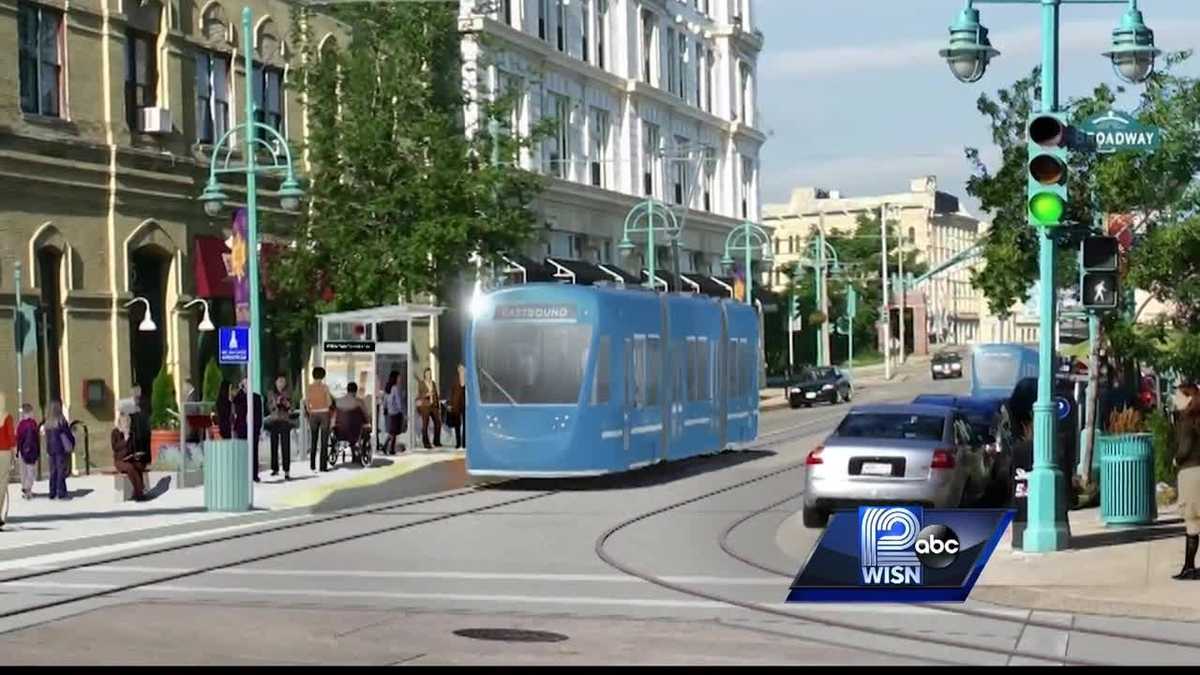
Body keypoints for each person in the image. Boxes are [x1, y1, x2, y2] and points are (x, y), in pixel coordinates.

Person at [1172, 379, 1200, 580]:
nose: (1175, 399)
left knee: (1192, 519)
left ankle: (1189, 567)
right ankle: (1188, 566)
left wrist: (1176, 459)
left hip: (1190, 472)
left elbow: (1185, 447)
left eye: (1178, 396)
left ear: (1188, 398)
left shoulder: (1185, 420)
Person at [233, 379, 264, 482]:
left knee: (254, 451)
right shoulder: (240, 397)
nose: (247, 386)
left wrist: (258, 428)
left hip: (253, 428)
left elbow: (259, 415)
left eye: (248, 384)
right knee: (242, 452)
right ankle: (243, 474)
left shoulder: (256, 397)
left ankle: (254, 474)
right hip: (242, 428)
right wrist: (241, 390)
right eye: (245, 384)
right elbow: (234, 401)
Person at [111, 413, 148, 501]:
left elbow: (134, 448)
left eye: (128, 422)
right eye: (124, 422)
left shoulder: (132, 433)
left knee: (139, 465)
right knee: (130, 467)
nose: (127, 424)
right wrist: (125, 440)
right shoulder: (115, 433)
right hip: (119, 461)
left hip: (130, 459)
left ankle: (137, 492)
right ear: (120, 423)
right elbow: (115, 448)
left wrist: (137, 455)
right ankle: (140, 492)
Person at [43, 400, 74, 500]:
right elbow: (68, 434)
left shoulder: (47, 423)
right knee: (61, 469)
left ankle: (52, 491)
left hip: (51, 448)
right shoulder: (61, 421)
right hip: (60, 448)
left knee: (53, 470)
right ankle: (61, 491)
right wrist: (72, 442)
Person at [305, 367, 334, 472]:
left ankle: (312, 465)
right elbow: (330, 402)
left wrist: (310, 411)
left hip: (313, 414)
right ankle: (323, 466)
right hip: (324, 413)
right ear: (323, 375)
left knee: (314, 439)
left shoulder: (309, 388)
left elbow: (307, 402)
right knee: (324, 441)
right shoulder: (325, 387)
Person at [334, 382, 368, 463]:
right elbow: (365, 415)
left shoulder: (338, 401)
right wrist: (368, 421)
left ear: (347, 390)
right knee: (364, 428)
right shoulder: (359, 402)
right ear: (355, 391)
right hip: (355, 431)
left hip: (340, 431)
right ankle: (359, 453)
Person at [267, 374, 294, 480]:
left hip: (284, 421)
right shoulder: (271, 393)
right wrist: (276, 403)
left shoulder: (288, 393)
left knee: (285, 445)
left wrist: (287, 404)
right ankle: (275, 468)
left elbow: (292, 408)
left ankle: (286, 470)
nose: (281, 383)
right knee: (274, 445)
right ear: (276, 382)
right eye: (280, 381)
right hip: (274, 420)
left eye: (283, 381)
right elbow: (269, 407)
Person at [16, 404, 39, 500]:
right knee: (31, 472)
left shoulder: (20, 424)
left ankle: (26, 491)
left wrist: (18, 450)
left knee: (23, 472)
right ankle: (27, 488)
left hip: (21, 450)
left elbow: (18, 438)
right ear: (29, 412)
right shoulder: (32, 423)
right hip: (30, 451)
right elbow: (33, 438)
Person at [383, 371, 405, 455]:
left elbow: (385, 399)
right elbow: (397, 400)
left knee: (392, 431)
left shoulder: (388, 387)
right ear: (395, 378)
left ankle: (386, 447)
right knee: (394, 431)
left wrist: (385, 408)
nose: (400, 379)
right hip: (395, 411)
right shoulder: (395, 388)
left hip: (389, 411)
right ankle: (390, 449)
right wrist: (401, 411)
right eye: (399, 377)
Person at [418, 368, 441, 449]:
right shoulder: (421, 383)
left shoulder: (433, 383)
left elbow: (436, 395)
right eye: (427, 373)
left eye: (430, 373)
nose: (428, 375)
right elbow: (420, 395)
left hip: (434, 406)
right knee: (425, 425)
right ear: (424, 374)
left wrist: (438, 406)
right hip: (425, 406)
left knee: (438, 423)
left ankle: (436, 441)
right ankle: (426, 443)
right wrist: (426, 394)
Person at [0, 394, 13, 527]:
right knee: (2, 484)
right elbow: (11, 437)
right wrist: (14, 454)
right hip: (4, 452)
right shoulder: (7, 417)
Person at [448, 363, 466, 449]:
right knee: (457, 425)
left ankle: (464, 443)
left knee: (465, 424)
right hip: (456, 404)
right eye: (459, 369)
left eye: (462, 369)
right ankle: (458, 443)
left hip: (466, 404)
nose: (461, 370)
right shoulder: (455, 379)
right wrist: (450, 404)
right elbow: (452, 392)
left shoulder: (468, 378)